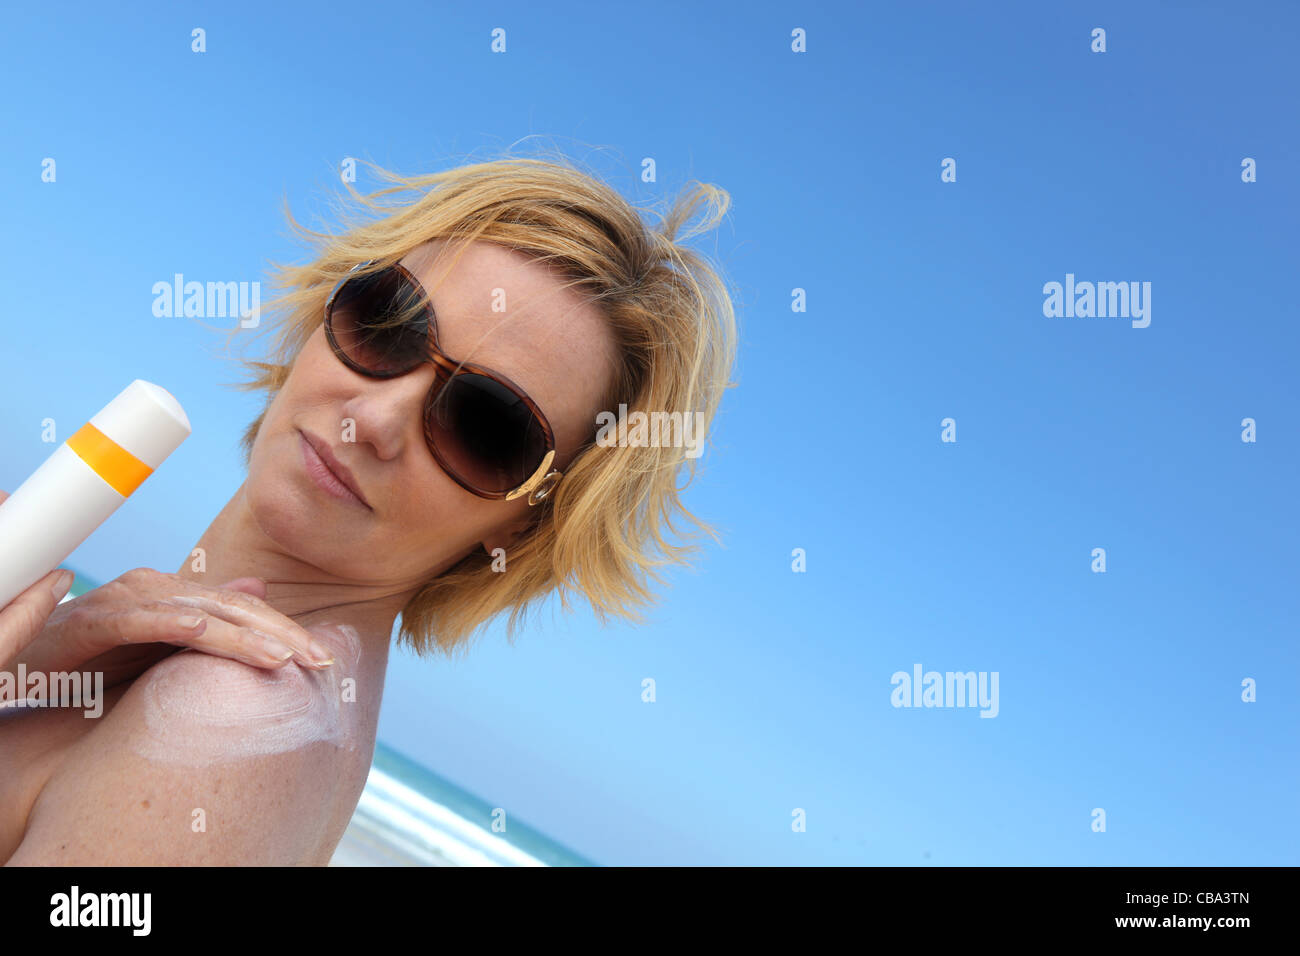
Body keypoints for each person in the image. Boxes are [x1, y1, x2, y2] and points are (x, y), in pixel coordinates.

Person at [0, 154, 738, 865]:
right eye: (387, 323)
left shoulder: (226, 715)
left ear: (527, 520)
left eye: (486, 426)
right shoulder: (163, 686)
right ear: (321, 318)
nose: (378, 421)